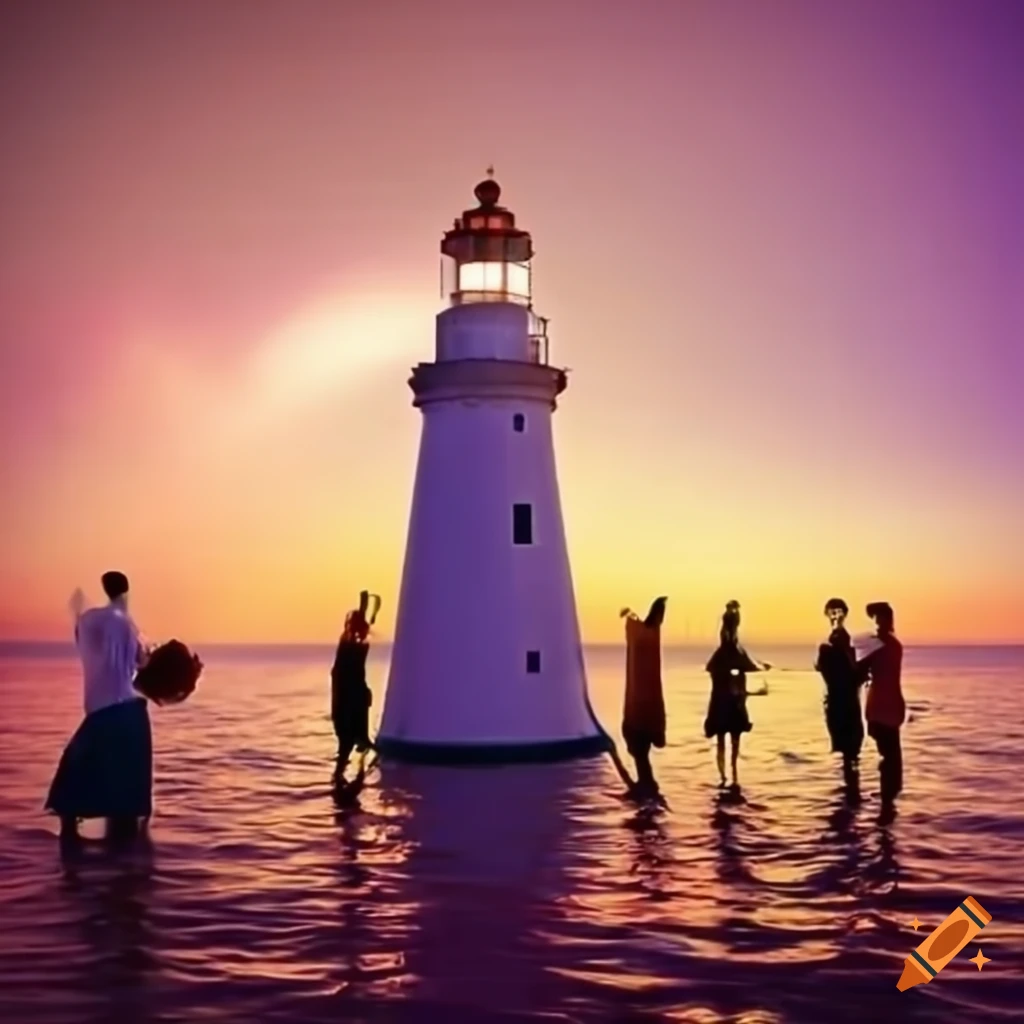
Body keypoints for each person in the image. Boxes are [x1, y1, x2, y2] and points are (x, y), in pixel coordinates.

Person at [45, 572, 152, 843]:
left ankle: (71, 835)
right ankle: (127, 849)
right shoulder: (131, 626)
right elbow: (144, 663)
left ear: (106, 589)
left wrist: (78, 610)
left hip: (104, 708)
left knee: (76, 766)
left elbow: (82, 635)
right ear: (126, 590)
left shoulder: (93, 618)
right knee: (127, 786)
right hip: (131, 711)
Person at [704, 602, 770, 788]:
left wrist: (760, 667)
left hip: (728, 704)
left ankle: (728, 777)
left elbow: (748, 666)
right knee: (729, 742)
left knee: (726, 742)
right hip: (728, 704)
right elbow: (743, 670)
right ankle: (729, 776)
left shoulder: (730, 652)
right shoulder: (730, 652)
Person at [856, 601, 905, 808]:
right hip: (889, 707)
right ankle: (889, 801)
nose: (877, 625)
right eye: (875, 620)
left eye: (879, 619)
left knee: (889, 757)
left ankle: (887, 802)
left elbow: (859, 672)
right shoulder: (893, 645)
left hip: (882, 708)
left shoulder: (883, 646)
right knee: (892, 756)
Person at [621, 597, 668, 800]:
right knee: (641, 750)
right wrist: (630, 614)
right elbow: (638, 625)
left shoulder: (649, 631)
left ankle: (646, 783)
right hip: (641, 702)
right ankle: (646, 783)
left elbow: (638, 625)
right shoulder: (647, 632)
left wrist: (631, 614)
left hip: (646, 703)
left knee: (642, 750)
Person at [815, 598, 864, 787]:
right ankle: (851, 792)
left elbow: (853, 672)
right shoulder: (830, 647)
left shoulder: (843, 643)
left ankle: (851, 793)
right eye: (832, 612)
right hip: (839, 701)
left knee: (850, 752)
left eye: (839, 612)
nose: (835, 615)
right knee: (849, 753)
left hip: (845, 702)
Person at [330, 592, 378, 782]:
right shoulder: (348, 642)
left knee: (357, 740)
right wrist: (363, 607)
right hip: (346, 696)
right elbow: (344, 673)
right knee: (347, 740)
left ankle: (355, 772)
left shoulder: (357, 642)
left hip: (356, 694)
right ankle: (341, 774)